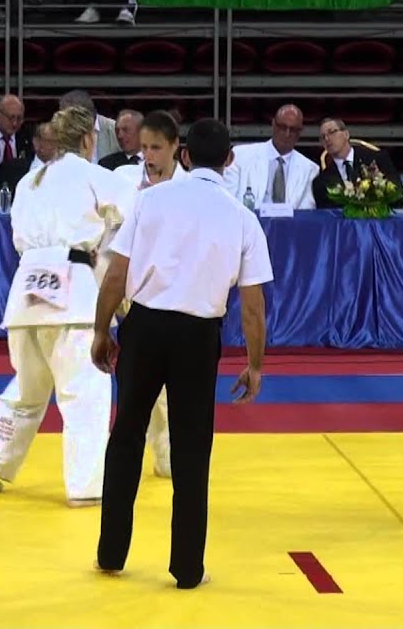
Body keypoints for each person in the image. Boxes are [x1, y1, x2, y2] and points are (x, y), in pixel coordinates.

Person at [91, 118, 273, 589]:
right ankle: (187, 568)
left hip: (145, 328)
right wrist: (254, 365)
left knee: (126, 434)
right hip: (198, 336)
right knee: (192, 449)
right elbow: (252, 307)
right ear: (229, 160)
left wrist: (100, 331)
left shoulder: (150, 200)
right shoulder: (241, 217)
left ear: (185, 155)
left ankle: (111, 552)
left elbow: (115, 276)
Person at [0, 105, 135, 507]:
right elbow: (133, 216)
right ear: (86, 140)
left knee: (29, 387)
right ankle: (86, 486)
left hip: (27, 289)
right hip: (71, 290)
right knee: (85, 390)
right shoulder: (96, 176)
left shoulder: (30, 181)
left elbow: (15, 237)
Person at [111, 110, 187, 479]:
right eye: (144, 148)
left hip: (178, 295)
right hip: (134, 296)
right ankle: (145, 455)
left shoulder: (192, 189)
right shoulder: (122, 180)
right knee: (140, 385)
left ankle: (170, 454)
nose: (149, 155)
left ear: (175, 147)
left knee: (172, 386)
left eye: (157, 147)